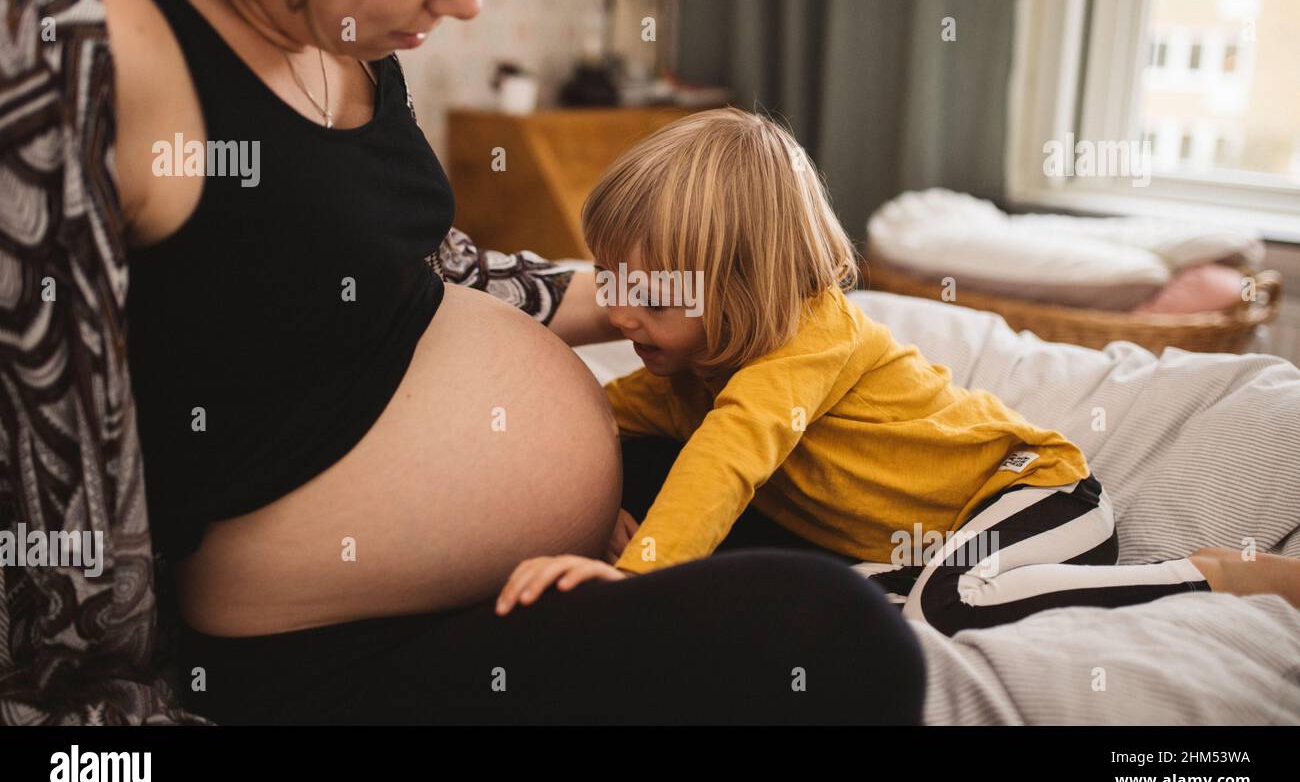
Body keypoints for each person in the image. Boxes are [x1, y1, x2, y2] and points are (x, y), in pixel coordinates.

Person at [0, 0, 925, 724]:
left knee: (830, 475)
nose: (470, 3)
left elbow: (436, 272)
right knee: (840, 638)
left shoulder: (344, 33)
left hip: (499, 564)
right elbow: (46, 466)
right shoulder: (80, 50)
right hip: (324, 648)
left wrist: (696, 299)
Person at [495, 108, 1300, 636]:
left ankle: (1209, 577)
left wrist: (637, 580)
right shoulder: (685, 369)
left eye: (651, 297)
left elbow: (727, 458)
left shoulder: (810, 339)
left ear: (747, 288)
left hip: (1033, 495)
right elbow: (598, 414)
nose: (619, 316)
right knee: (856, 599)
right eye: (614, 284)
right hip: (932, 544)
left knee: (946, 603)